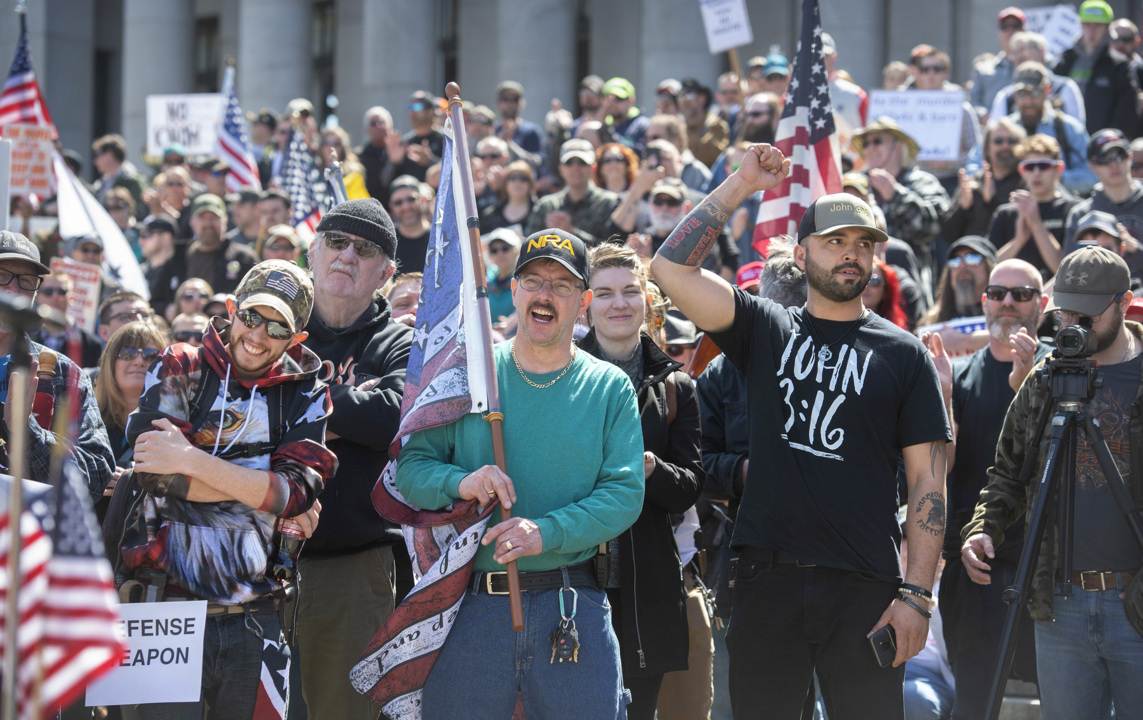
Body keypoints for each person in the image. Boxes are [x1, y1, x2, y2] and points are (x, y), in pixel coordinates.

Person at [651, 148, 951, 717]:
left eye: (863, 244)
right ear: (802, 251)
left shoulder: (905, 354)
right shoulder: (765, 327)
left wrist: (917, 595)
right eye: (836, 241)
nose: (851, 255)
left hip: (867, 585)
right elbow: (669, 269)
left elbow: (927, 486)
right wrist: (741, 182)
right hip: (767, 582)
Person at [395, 227, 643, 719]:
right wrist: (460, 483)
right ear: (514, 291)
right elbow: (411, 471)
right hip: (471, 610)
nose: (545, 294)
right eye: (533, 280)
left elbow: (624, 494)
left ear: (585, 302)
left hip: (572, 604)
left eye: (562, 284)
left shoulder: (610, 387)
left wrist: (544, 532)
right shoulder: (466, 376)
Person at [962, 246, 1143, 720]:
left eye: (1087, 315)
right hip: (1059, 605)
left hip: (1137, 608)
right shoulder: (1046, 379)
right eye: (1065, 312)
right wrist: (985, 528)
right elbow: (1007, 474)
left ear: (1124, 303)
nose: (1073, 327)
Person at [296, 199, 414, 719]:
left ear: (386, 273)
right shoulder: (273, 326)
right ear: (313, 252)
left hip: (352, 568)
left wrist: (292, 405)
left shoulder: (403, 343)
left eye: (364, 249)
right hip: (254, 560)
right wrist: (345, 412)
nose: (347, 256)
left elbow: (393, 419)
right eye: (336, 242)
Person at [577, 243, 703, 720]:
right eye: (605, 292)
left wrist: (650, 469)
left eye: (631, 291)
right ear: (586, 302)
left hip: (646, 582)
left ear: (648, 300)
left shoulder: (676, 387)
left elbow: (690, 484)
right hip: (570, 577)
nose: (619, 303)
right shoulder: (555, 374)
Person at [940, 258, 1047, 720]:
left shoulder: (1064, 376)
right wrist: (942, 400)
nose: (1008, 302)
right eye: (999, 292)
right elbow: (939, 470)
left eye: (1021, 295)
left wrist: (1028, 388)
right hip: (976, 570)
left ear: (1041, 306)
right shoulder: (960, 377)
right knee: (973, 708)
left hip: (1048, 570)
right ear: (984, 301)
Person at [0, 231, 115, 499]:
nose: (14, 290)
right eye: (2, 275)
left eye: (27, 281)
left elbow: (97, 474)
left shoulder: (64, 373)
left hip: (29, 532)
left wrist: (28, 430)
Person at [853, 117, 951, 286]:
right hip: (860, 279)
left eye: (877, 141)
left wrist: (896, 195)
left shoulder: (923, 182)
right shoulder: (856, 184)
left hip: (909, 282)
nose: (870, 148)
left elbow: (934, 227)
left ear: (898, 147)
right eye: (866, 144)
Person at [94, 320, 168, 502]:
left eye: (151, 355)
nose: (139, 361)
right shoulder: (86, 420)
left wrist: (135, 481)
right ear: (110, 363)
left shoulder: (174, 428)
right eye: (128, 353)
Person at [1004, 62, 1097, 195]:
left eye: (1035, 92)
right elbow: (977, 164)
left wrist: (1056, 177)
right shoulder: (1002, 130)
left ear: (1047, 90)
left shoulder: (1068, 128)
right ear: (1014, 94)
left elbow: (1093, 174)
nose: (1029, 101)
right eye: (1022, 93)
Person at [990, 134, 1075, 278]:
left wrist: (1036, 224)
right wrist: (1017, 242)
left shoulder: (1073, 210)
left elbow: (1067, 273)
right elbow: (988, 271)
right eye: (1030, 167)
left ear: (1059, 168)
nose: (1036, 173)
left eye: (1044, 166)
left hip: (1057, 298)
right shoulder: (1005, 214)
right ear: (1021, 171)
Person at [1063, 129, 1143, 282]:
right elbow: (1070, 272)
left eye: (1120, 156)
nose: (1114, 164)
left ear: (1130, 157)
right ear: (1092, 166)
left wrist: (1134, 247)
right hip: (1100, 301)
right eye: (1104, 159)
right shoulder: (1080, 214)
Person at [1053, 0, 1140, 137]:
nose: (1092, 31)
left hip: (1103, 145)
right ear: (1081, 26)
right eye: (1087, 25)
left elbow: (1126, 112)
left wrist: (1111, 139)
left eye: (1098, 26)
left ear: (1108, 28)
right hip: (1068, 141)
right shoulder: (1065, 61)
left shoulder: (1119, 65)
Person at [526, 139, 621, 246]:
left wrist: (572, 233)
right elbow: (528, 247)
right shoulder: (546, 206)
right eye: (569, 163)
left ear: (593, 168)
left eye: (582, 162)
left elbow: (614, 250)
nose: (575, 168)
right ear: (561, 169)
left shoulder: (609, 203)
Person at [944, 118, 1027, 241]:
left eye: (1012, 141)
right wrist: (963, 209)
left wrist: (993, 201)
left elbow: (1020, 229)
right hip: (971, 258)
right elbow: (948, 235)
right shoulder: (972, 183)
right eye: (998, 141)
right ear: (987, 149)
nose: (1005, 145)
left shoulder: (1026, 182)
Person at [920, 236, 998, 357]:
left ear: (990, 267)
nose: (962, 265)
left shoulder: (1005, 311)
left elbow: (1019, 336)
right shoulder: (931, 321)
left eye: (972, 258)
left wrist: (964, 341)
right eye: (955, 261)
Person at [989, 31, 1086, 127]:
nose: (1018, 56)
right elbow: (995, 132)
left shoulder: (1064, 88)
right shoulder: (1006, 96)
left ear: (1041, 51)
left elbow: (1077, 131)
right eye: (1014, 53)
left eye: (1022, 49)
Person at [183, 193, 259, 296]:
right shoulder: (180, 257)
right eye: (202, 218)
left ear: (225, 220)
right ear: (192, 222)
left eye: (214, 217)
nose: (208, 224)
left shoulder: (244, 258)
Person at [32, 271, 104, 368]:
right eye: (48, 292)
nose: (55, 297)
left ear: (72, 297)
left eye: (62, 291)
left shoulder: (91, 344)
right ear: (38, 297)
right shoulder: (27, 337)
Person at [970, 6, 1026, 113]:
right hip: (993, 127)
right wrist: (985, 116)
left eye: (1016, 25)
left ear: (1025, 30)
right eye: (1005, 27)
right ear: (998, 33)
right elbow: (974, 101)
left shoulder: (1038, 64)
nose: (1010, 30)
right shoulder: (983, 68)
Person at [480, 160, 536, 235]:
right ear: (505, 183)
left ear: (530, 184)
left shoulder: (538, 211)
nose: (517, 182)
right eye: (512, 178)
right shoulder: (490, 215)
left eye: (523, 178)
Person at [319, 126, 369, 200]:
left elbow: (361, 203)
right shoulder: (315, 172)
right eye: (326, 143)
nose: (331, 147)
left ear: (342, 148)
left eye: (336, 143)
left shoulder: (354, 175)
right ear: (321, 147)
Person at [602, 77, 651, 153]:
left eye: (618, 98)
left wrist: (616, 139)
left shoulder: (643, 125)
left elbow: (643, 153)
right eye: (609, 99)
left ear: (631, 101)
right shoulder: (601, 125)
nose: (613, 103)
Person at [862, 257, 910, 329]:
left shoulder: (896, 331)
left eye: (874, 281)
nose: (866, 286)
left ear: (886, 290)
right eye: (861, 280)